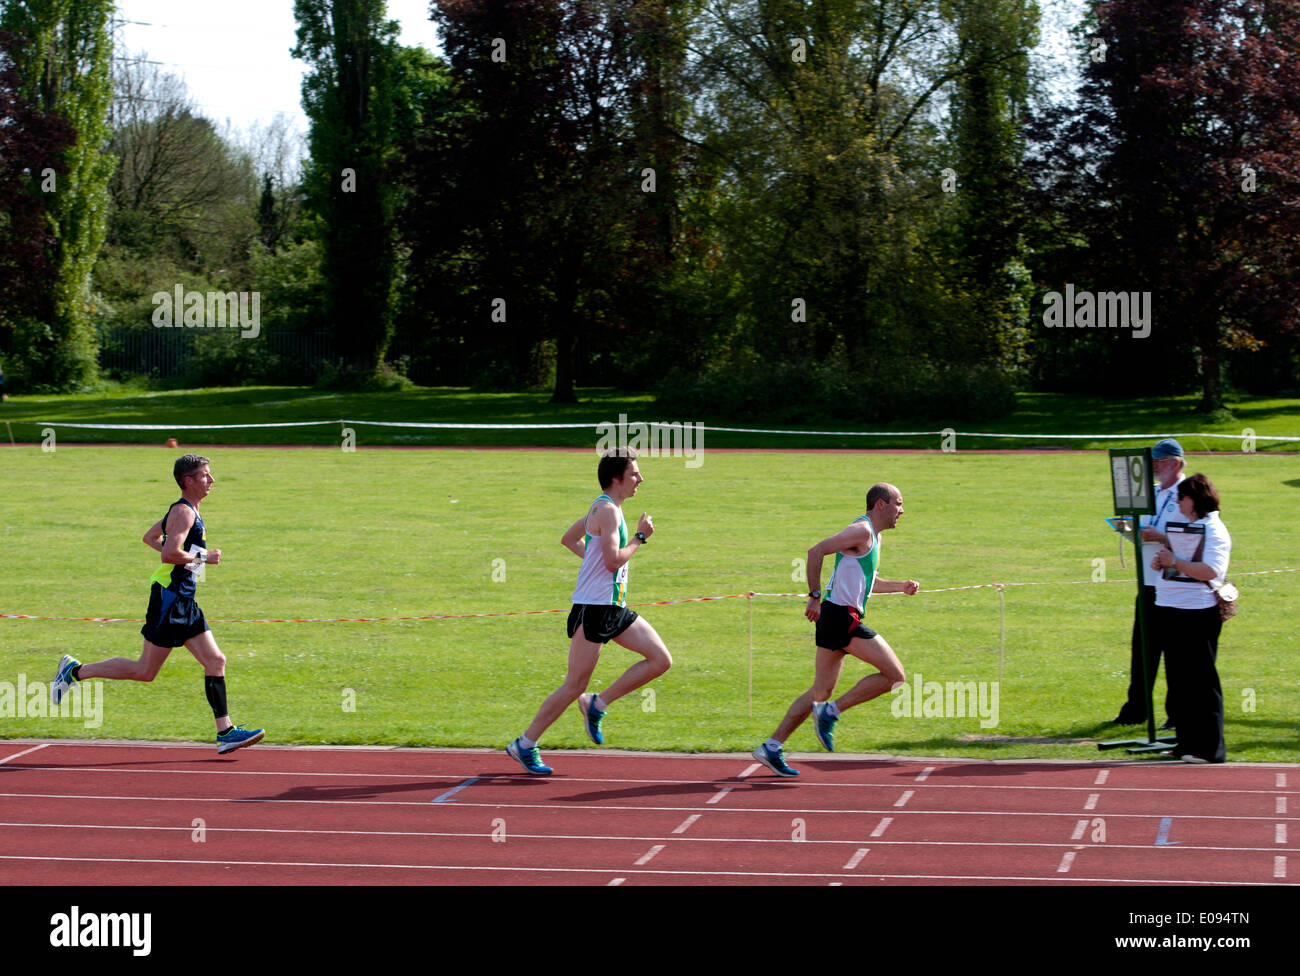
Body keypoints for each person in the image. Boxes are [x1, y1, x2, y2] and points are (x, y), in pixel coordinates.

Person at [50, 455, 265, 755]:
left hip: (184, 599)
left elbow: (151, 538)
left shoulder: (187, 512)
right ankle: (74, 672)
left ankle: (226, 732)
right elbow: (169, 554)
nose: (211, 480)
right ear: (188, 481)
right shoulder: (183, 513)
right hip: (169, 598)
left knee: (215, 661)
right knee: (144, 671)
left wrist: (184, 558)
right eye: (205, 475)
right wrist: (204, 558)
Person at [506, 448, 672, 775]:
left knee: (661, 660)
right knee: (574, 684)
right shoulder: (608, 512)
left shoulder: (602, 507)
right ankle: (524, 744)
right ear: (616, 478)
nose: (640, 478)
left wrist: (593, 566)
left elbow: (570, 539)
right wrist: (640, 537)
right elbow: (612, 560)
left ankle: (597, 703)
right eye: (634, 473)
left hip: (612, 606)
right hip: (595, 609)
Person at [752, 483, 919, 777]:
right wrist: (814, 595)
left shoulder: (874, 538)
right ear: (881, 504)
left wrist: (899, 587)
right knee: (895, 676)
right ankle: (831, 712)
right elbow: (816, 551)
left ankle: (772, 746)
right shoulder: (862, 531)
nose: (902, 511)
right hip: (841, 618)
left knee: (819, 690)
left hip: (835, 617)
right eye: (898, 503)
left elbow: (867, 581)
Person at [1150, 473, 1231, 763]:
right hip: (1171, 607)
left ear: (1194, 500)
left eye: (1181, 497)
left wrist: (1176, 562)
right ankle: (1185, 743)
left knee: (1201, 681)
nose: (1177, 502)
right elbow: (1177, 564)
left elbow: (1211, 571)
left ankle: (1209, 749)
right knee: (1179, 680)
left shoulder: (1215, 530)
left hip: (1197, 612)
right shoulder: (1186, 527)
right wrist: (1163, 563)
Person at [1110, 437, 1186, 727]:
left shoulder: (1189, 493)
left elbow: (1196, 535)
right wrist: (1126, 527)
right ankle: (1136, 710)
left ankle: (1176, 715)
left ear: (1176, 462)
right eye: (1152, 461)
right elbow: (1134, 523)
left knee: (1176, 655)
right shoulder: (1150, 492)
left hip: (1176, 583)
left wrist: (1161, 537)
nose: (1154, 466)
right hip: (1148, 582)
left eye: (1160, 460)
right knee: (1142, 651)